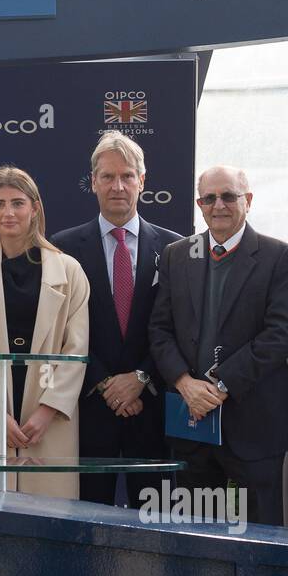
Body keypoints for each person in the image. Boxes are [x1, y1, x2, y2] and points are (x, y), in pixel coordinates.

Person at [148, 166, 288, 527]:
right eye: (209, 198)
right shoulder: (176, 254)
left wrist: (218, 386)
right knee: (195, 537)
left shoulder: (281, 256)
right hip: (192, 424)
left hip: (257, 425)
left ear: (247, 201)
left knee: (266, 539)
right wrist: (185, 384)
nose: (219, 205)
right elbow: (159, 330)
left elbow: (280, 335)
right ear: (199, 204)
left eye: (229, 196)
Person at [52, 131, 182, 508]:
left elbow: (179, 328)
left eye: (127, 176)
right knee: (89, 523)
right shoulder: (63, 248)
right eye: (107, 177)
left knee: (156, 523)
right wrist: (106, 383)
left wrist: (141, 378)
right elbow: (58, 328)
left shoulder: (174, 248)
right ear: (93, 182)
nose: (118, 186)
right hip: (90, 407)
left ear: (143, 181)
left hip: (154, 408)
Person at [0, 167, 89, 498]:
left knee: (47, 519)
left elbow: (77, 349)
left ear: (35, 208)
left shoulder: (69, 270)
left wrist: (47, 411)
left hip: (49, 420)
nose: (7, 213)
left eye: (17, 203)